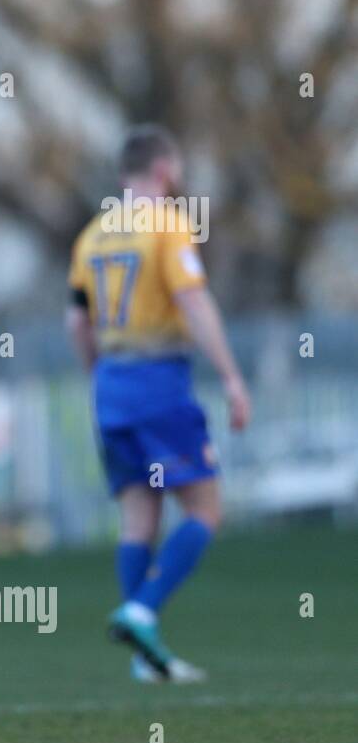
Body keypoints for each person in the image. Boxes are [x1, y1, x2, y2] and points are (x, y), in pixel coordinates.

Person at [66, 124, 251, 682]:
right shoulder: (168, 226)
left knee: (137, 519)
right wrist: (232, 378)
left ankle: (146, 661)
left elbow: (77, 321)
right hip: (160, 383)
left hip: (111, 385)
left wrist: (97, 376)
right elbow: (194, 304)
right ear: (166, 171)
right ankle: (142, 609)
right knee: (205, 509)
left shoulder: (93, 235)